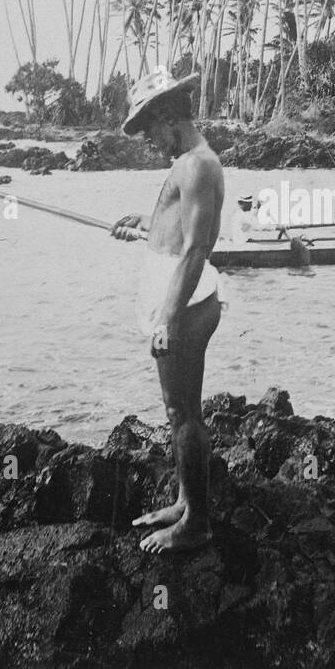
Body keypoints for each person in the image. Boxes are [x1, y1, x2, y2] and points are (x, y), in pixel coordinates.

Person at [111, 68, 224, 553]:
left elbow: (197, 248)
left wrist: (168, 319)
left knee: (182, 414)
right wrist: (145, 221)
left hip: (188, 307)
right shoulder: (188, 160)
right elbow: (177, 226)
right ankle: (185, 499)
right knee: (182, 410)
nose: (152, 141)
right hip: (182, 304)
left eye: (152, 129)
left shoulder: (199, 165)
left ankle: (195, 523)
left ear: (169, 116)